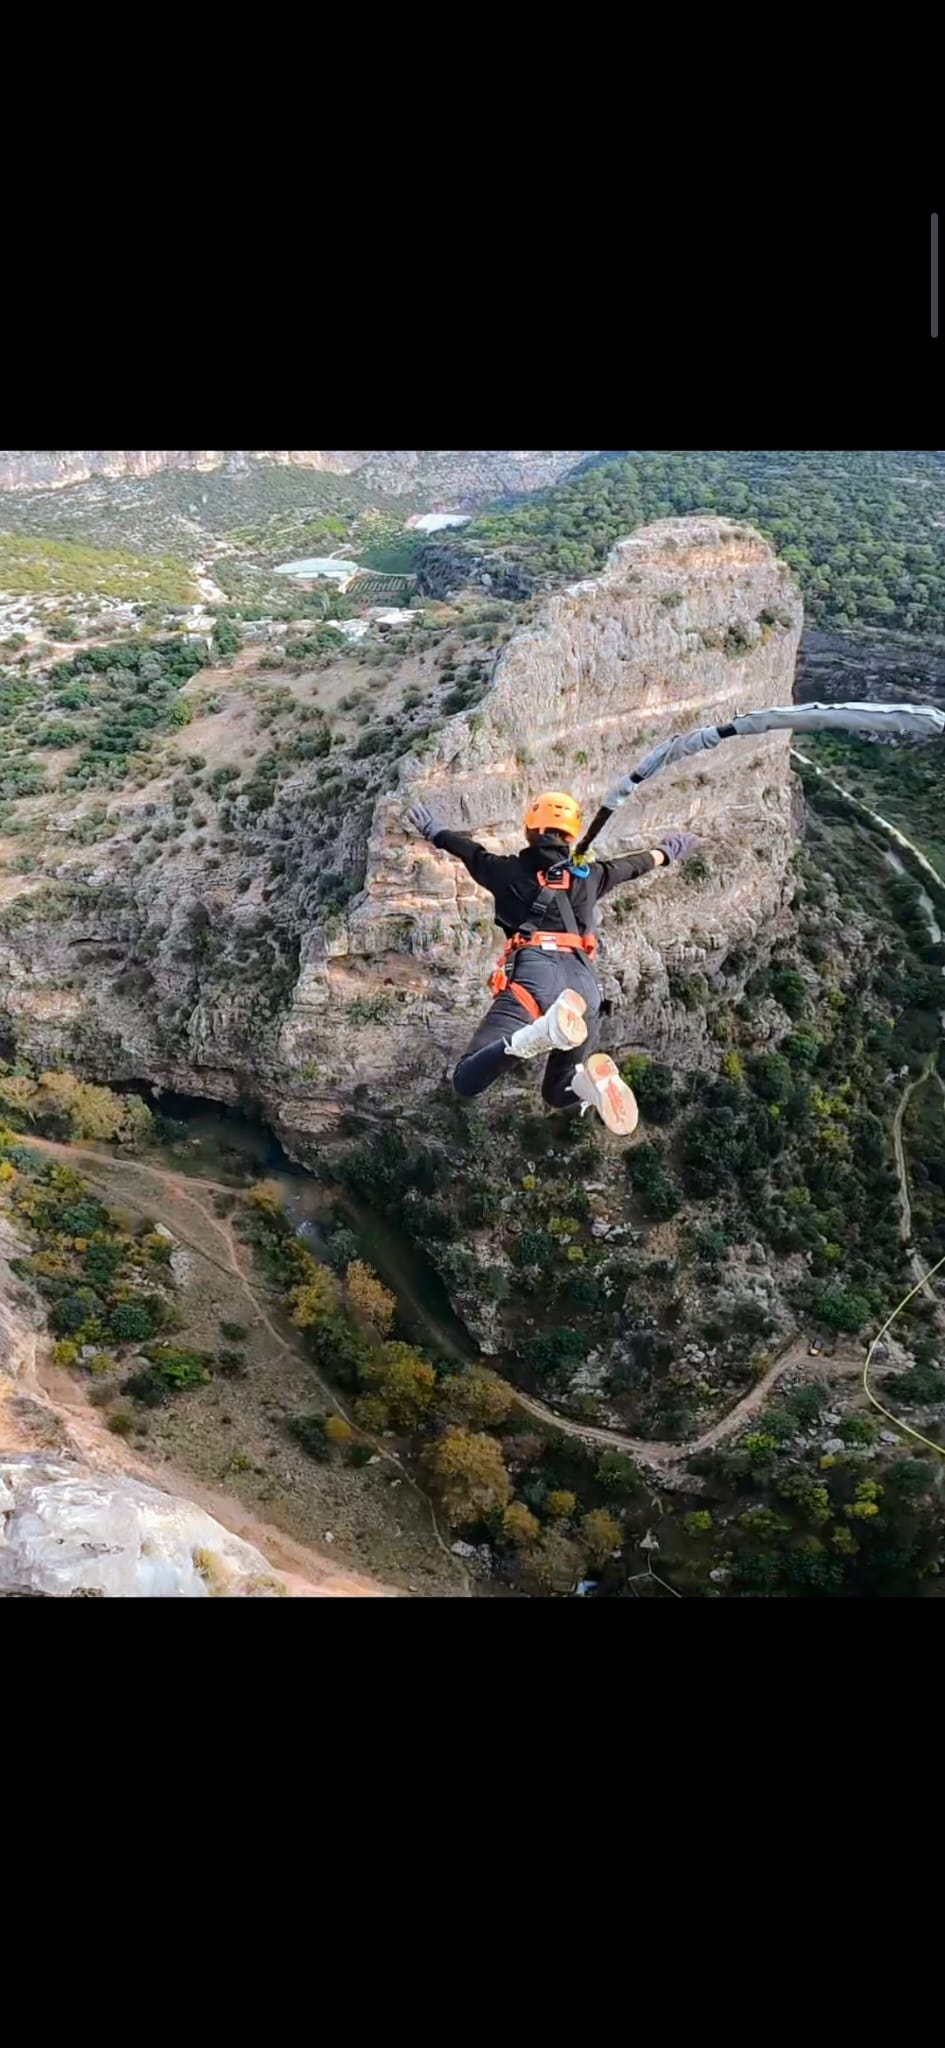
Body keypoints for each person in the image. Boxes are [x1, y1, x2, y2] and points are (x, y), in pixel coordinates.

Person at [407, 789, 698, 1134]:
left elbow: (469, 851)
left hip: (536, 978)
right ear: (571, 835)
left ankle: (539, 1034)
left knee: (466, 1081)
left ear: (530, 829)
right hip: (585, 989)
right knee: (557, 1093)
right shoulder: (592, 875)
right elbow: (636, 864)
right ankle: (590, 1084)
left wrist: (433, 831)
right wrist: (670, 850)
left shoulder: (505, 871)